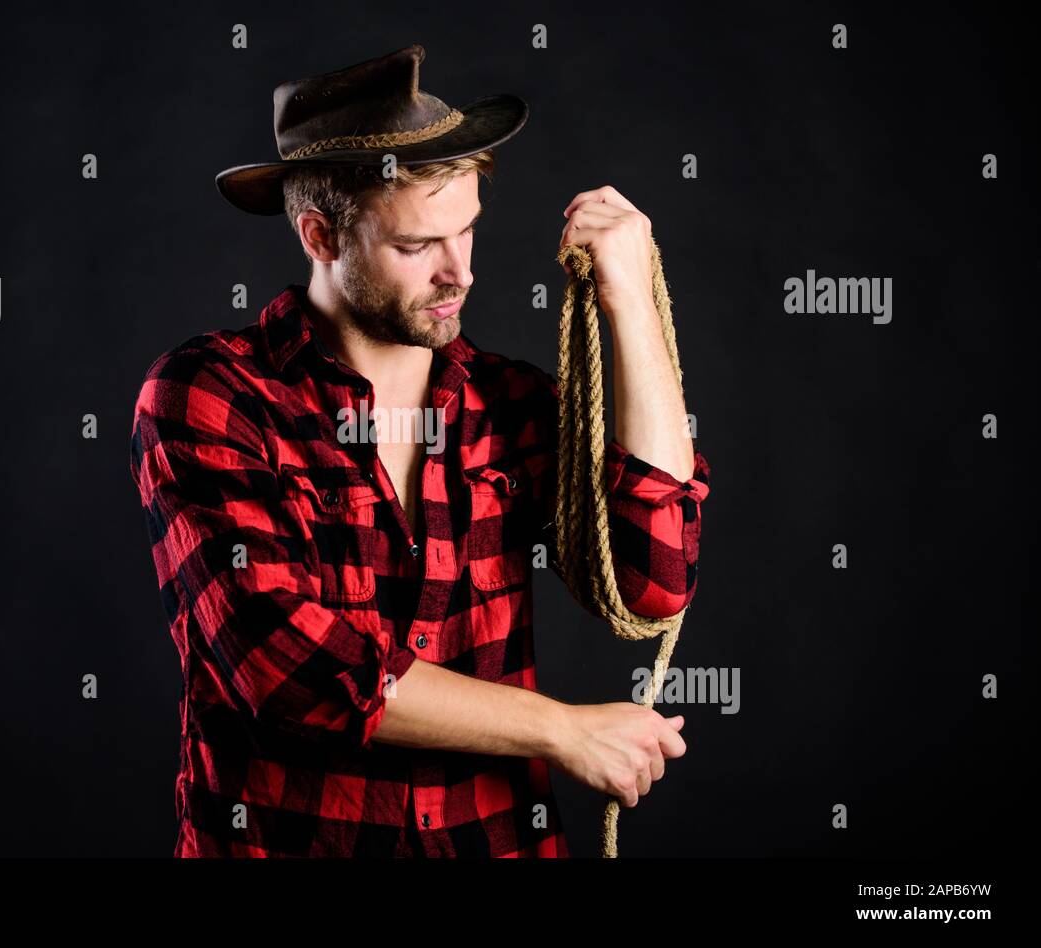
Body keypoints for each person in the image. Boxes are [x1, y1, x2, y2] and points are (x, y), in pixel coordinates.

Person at [129, 44, 712, 857]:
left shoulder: (508, 405)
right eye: (417, 248)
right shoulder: (213, 397)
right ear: (322, 235)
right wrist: (561, 731)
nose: (459, 273)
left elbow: (656, 582)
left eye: (467, 231)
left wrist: (631, 298)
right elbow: (286, 665)